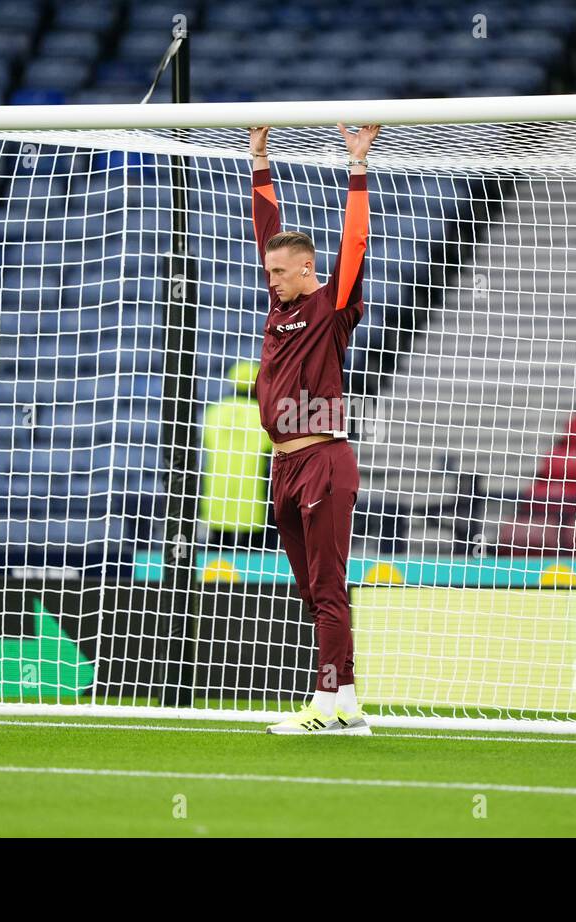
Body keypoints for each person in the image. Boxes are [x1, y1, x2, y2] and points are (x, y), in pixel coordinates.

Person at [250, 121, 381, 735]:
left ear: (307, 269)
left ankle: (325, 706)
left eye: (280, 273)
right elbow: (265, 235)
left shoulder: (331, 307)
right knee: (314, 591)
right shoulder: (281, 308)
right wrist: (259, 161)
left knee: (328, 588)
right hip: (284, 464)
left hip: (324, 458)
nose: (269, 280)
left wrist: (357, 169)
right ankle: (348, 699)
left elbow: (353, 246)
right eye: (269, 272)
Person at [200, 359, 277, 551]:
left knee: (218, 548)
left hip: (217, 491)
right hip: (252, 494)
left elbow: (205, 441)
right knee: (252, 553)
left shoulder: (213, 411)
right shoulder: (263, 415)